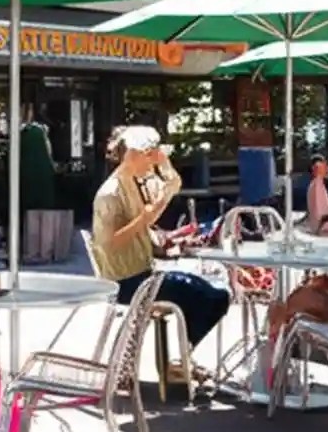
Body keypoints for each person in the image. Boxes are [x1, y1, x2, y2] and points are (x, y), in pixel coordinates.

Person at [90, 126, 230, 383]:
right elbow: (109, 243)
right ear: (132, 155)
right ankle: (179, 362)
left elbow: (169, 188)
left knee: (213, 294)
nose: (154, 159)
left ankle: (181, 359)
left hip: (143, 272)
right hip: (126, 280)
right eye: (148, 153)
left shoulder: (136, 183)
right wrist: (144, 219)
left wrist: (168, 233)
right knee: (208, 295)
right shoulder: (110, 194)